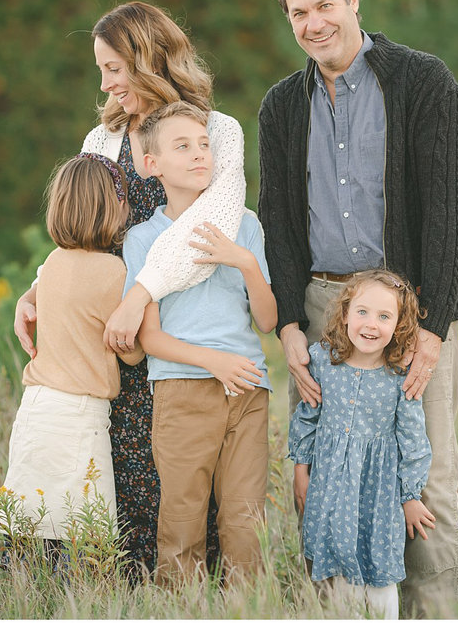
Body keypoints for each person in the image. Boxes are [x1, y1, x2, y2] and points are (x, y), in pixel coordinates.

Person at [258, 0, 458, 619]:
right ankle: (340, 611)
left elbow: (448, 212)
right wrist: (289, 326)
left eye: (324, 4)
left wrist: (431, 331)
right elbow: (278, 223)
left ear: (352, 1)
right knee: (323, 476)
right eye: (298, 12)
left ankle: (435, 612)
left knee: (426, 476)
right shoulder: (282, 107)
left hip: (409, 304)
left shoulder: (424, 82)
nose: (313, 22)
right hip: (322, 307)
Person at [10, 2, 246, 575]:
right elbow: (83, 233)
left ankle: (188, 599)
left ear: (149, 59)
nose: (105, 84)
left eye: (114, 68)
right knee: (112, 466)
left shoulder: (216, 132)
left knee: (182, 476)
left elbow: (208, 229)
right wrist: (37, 289)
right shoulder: (102, 139)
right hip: (113, 335)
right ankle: (113, 593)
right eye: (101, 69)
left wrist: (139, 296)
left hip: (180, 332)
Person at [123, 104, 276, 587]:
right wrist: (214, 362)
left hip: (248, 391)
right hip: (182, 391)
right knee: (183, 519)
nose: (198, 155)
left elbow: (268, 321)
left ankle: (247, 609)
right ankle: (181, 608)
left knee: (246, 519)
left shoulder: (245, 224)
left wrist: (245, 262)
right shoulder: (143, 239)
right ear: (153, 165)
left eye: (204, 144)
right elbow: (149, 339)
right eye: (182, 146)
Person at [0, 154, 132, 562]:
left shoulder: (51, 264)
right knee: (82, 518)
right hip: (80, 412)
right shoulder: (113, 272)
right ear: (112, 206)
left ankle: (26, 588)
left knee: (30, 510)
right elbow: (133, 348)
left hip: (36, 406)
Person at [288, 270, 436, 622]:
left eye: (385, 317)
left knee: (379, 566)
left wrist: (411, 496)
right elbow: (307, 416)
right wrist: (300, 469)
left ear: (400, 325)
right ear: (345, 314)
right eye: (363, 312)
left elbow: (413, 439)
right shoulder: (323, 360)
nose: (371, 324)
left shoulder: (401, 374)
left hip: (379, 492)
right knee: (338, 563)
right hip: (331, 486)